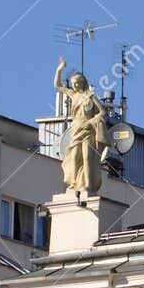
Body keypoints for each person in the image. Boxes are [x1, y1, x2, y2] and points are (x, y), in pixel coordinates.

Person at [53, 57, 107, 197]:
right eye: (73, 83)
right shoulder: (73, 95)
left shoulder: (91, 96)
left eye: (76, 83)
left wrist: (91, 122)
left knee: (87, 156)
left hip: (88, 130)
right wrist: (60, 69)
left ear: (82, 83)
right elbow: (58, 85)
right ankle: (74, 182)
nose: (74, 86)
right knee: (75, 155)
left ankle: (88, 184)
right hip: (76, 129)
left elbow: (102, 112)